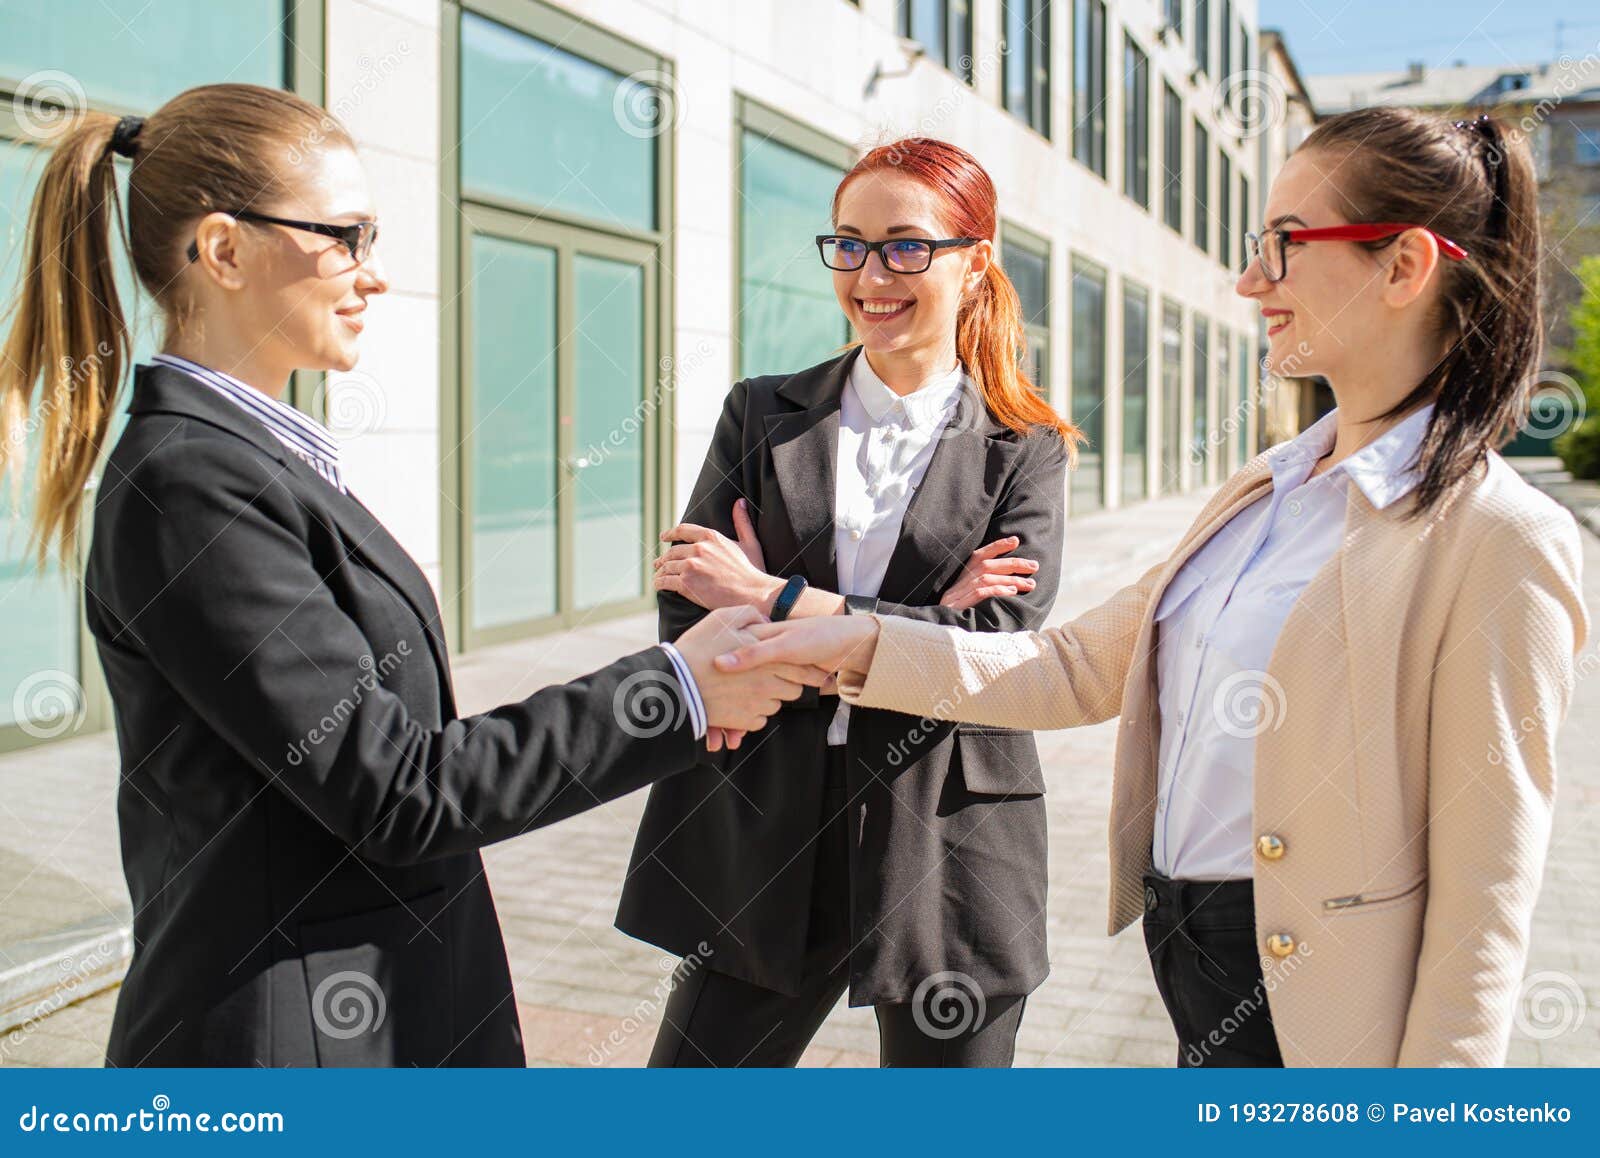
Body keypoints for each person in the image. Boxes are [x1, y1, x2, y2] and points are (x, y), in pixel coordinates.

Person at [715, 107, 1591, 1067]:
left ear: (1404, 266)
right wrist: (837, 632)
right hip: (1195, 964)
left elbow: (1485, 896)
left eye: (1284, 244)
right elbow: (1071, 668)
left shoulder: (1501, 538)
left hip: (1317, 1008)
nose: (1249, 280)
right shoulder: (1265, 491)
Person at [0, 84, 822, 1067]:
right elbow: (396, 790)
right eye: (344, 237)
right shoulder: (189, 485)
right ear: (224, 251)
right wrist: (677, 689)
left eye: (374, 237)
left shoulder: (254, 462)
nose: (375, 275)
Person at [616, 137, 1079, 1067]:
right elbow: (690, 599)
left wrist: (772, 599)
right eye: (850, 245)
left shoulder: (1024, 446)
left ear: (974, 262)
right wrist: (912, 631)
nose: (871, 276)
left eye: (906, 247)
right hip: (763, 824)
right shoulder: (761, 412)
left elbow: (991, 646)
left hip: (946, 835)